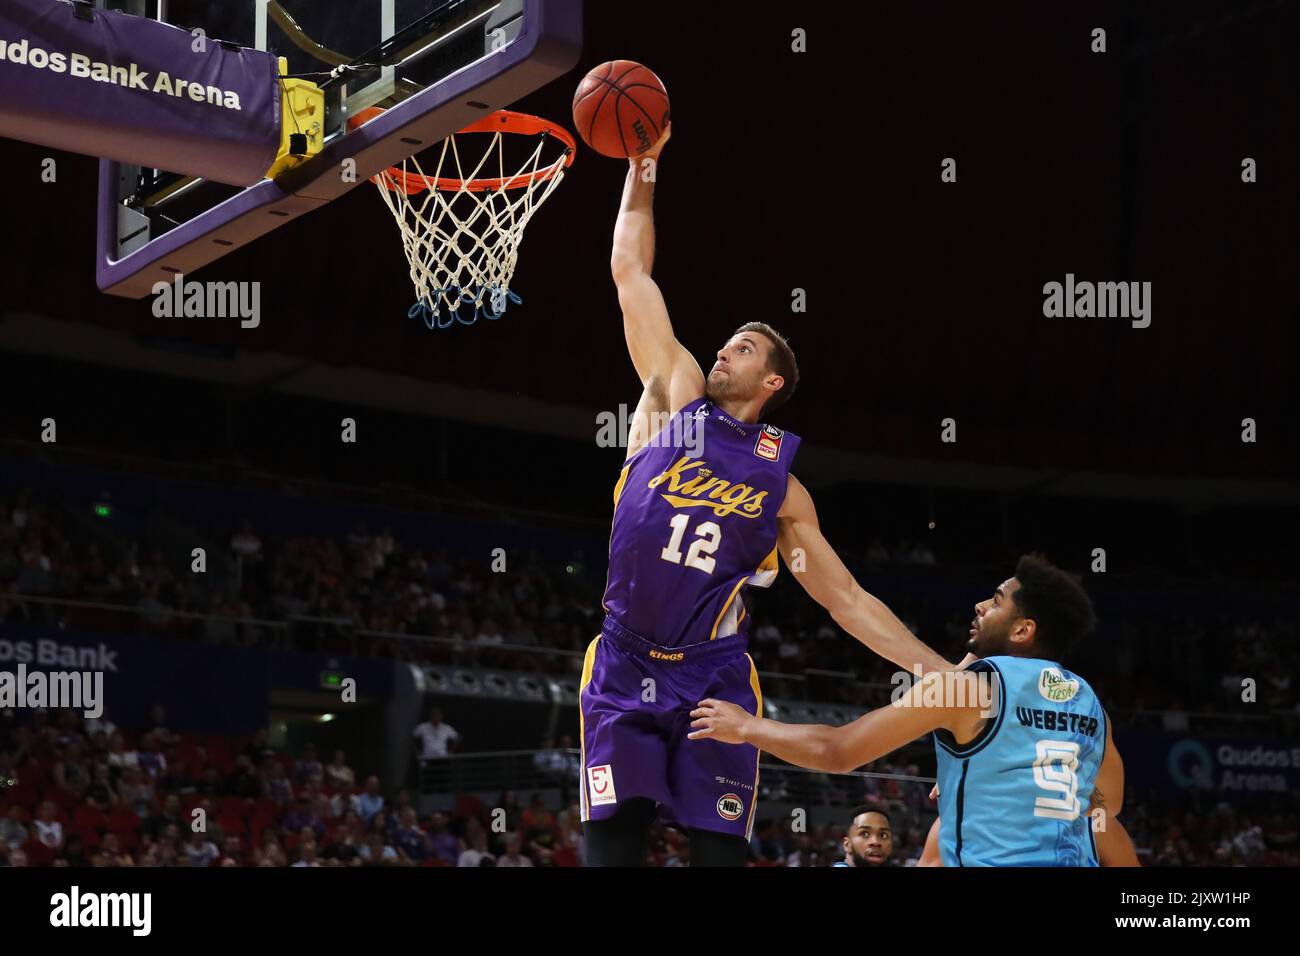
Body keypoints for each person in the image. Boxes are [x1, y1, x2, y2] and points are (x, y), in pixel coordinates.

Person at [582, 124, 953, 867]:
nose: (722, 350)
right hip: (621, 663)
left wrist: (935, 672)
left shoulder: (781, 485)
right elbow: (630, 267)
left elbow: (844, 599)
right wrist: (643, 160)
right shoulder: (672, 399)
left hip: (712, 673)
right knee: (613, 848)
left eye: (743, 348)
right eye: (726, 342)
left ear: (772, 383)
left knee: (720, 854)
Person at [691, 555, 1125, 867]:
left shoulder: (969, 691)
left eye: (995, 601)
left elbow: (838, 751)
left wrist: (748, 726)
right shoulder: (1090, 703)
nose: (979, 606)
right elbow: (1106, 806)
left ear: (1023, 629)